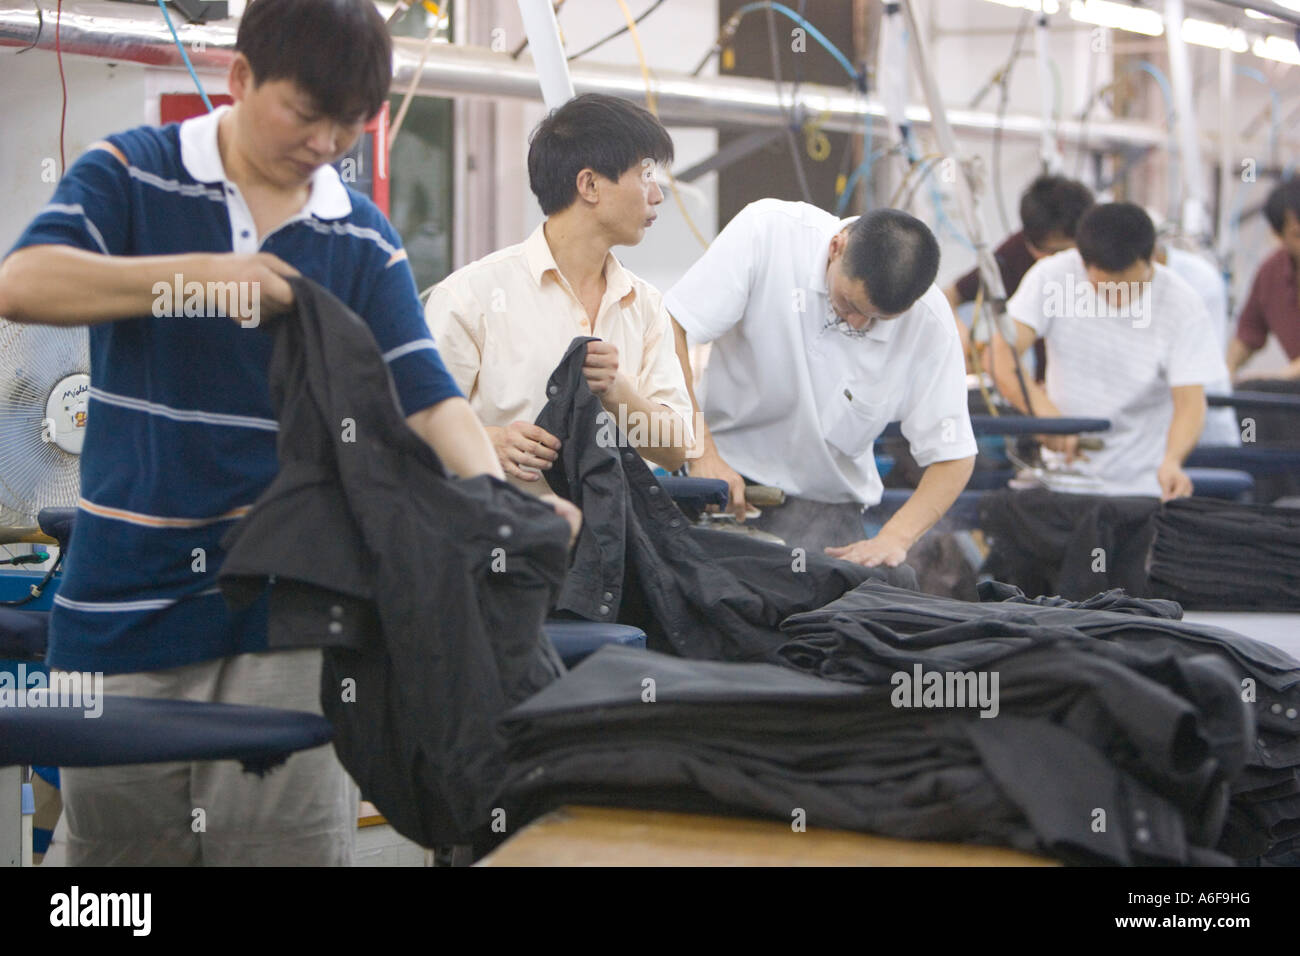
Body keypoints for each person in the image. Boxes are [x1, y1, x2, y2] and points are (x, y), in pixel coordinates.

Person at [0, 0, 576, 865]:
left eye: (347, 126)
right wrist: (202, 276)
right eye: (305, 116)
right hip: (118, 602)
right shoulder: (132, 171)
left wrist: (500, 507)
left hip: (293, 606)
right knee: (114, 875)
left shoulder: (361, 238)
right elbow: (25, 283)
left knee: (281, 852)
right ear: (239, 79)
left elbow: (424, 393)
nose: (324, 143)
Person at [666, 199, 977, 568]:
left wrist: (895, 537)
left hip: (826, 509)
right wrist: (702, 453)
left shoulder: (929, 323)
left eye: (877, 319)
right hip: (719, 482)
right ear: (836, 247)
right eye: (849, 304)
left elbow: (954, 455)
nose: (856, 323)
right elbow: (670, 330)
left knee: (845, 602)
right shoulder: (768, 233)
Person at [426, 93, 693, 492]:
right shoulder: (471, 297)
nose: (656, 195)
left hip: (614, 545)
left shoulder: (646, 306)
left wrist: (618, 391)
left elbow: (677, 448)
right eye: (645, 175)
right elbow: (411, 429)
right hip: (502, 542)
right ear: (589, 185)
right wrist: (490, 442)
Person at [997, 203, 1230, 500]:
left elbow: (1190, 403)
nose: (1118, 300)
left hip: (1143, 487)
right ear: (1082, 263)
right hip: (1061, 480)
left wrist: (1173, 460)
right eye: (1104, 289)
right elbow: (1001, 354)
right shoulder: (1053, 278)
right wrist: (1044, 414)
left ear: (1152, 259)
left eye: (1130, 288)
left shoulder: (1182, 305)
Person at [944, 174, 1094, 372]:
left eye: (1075, 251)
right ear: (1029, 242)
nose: (1067, 261)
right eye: (1054, 252)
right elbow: (950, 296)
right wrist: (960, 336)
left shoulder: (1102, 254)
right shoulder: (1013, 255)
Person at [1227, 177, 1300, 383]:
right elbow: (1249, 333)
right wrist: (1226, 371)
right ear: (1278, 235)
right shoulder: (1272, 273)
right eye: (1298, 234)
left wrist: (1274, 379)